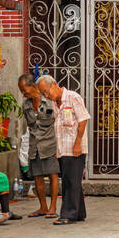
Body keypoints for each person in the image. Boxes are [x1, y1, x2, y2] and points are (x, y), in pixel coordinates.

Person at [39, 74, 89, 224]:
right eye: (44, 94)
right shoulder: (55, 103)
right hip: (63, 149)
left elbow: (83, 120)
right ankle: (79, 212)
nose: (47, 96)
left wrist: (78, 143)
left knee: (70, 182)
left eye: (47, 92)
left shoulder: (73, 97)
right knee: (71, 180)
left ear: (54, 84)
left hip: (75, 147)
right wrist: (57, 150)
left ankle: (68, 214)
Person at [17, 73, 61, 217]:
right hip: (35, 144)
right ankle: (43, 207)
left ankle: (53, 208)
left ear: (33, 86)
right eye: (21, 91)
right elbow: (30, 125)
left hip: (50, 142)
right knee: (37, 176)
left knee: (53, 175)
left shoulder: (49, 100)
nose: (23, 93)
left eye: (25, 90)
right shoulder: (26, 105)